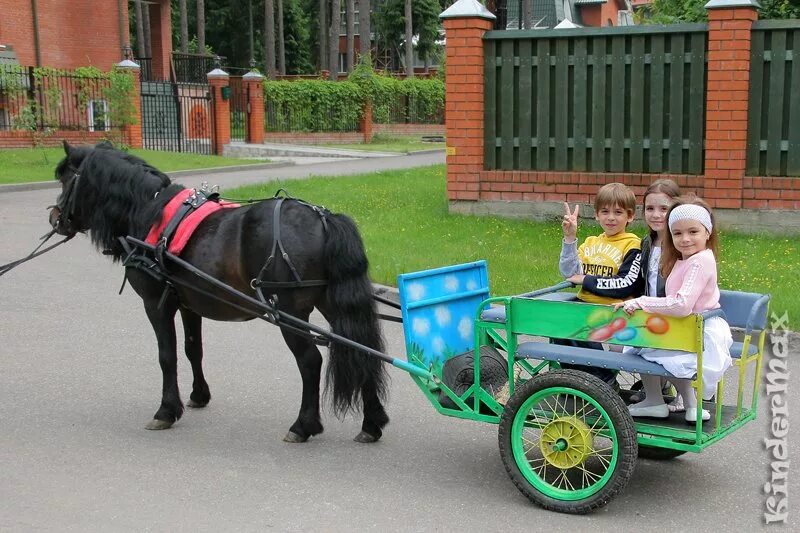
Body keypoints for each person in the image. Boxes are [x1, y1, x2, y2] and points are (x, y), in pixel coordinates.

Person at [614, 197, 733, 423]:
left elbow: (681, 304)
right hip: (688, 327)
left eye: (693, 232)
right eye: (677, 233)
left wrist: (642, 302)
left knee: (640, 345)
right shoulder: (686, 260)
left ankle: (657, 401)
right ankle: (684, 406)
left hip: (700, 331)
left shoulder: (699, 261)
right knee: (650, 346)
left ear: (707, 232)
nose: (685, 239)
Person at [557, 182, 641, 384]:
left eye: (618, 212)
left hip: (614, 310)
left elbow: (624, 285)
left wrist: (586, 280)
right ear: (596, 214)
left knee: (577, 323)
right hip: (587, 305)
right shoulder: (591, 242)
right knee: (557, 323)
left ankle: (602, 379)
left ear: (630, 216)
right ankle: (577, 378)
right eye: (605, 211)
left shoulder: (632, 244)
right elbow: (569, 273)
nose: (611, 217)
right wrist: (570, 238)